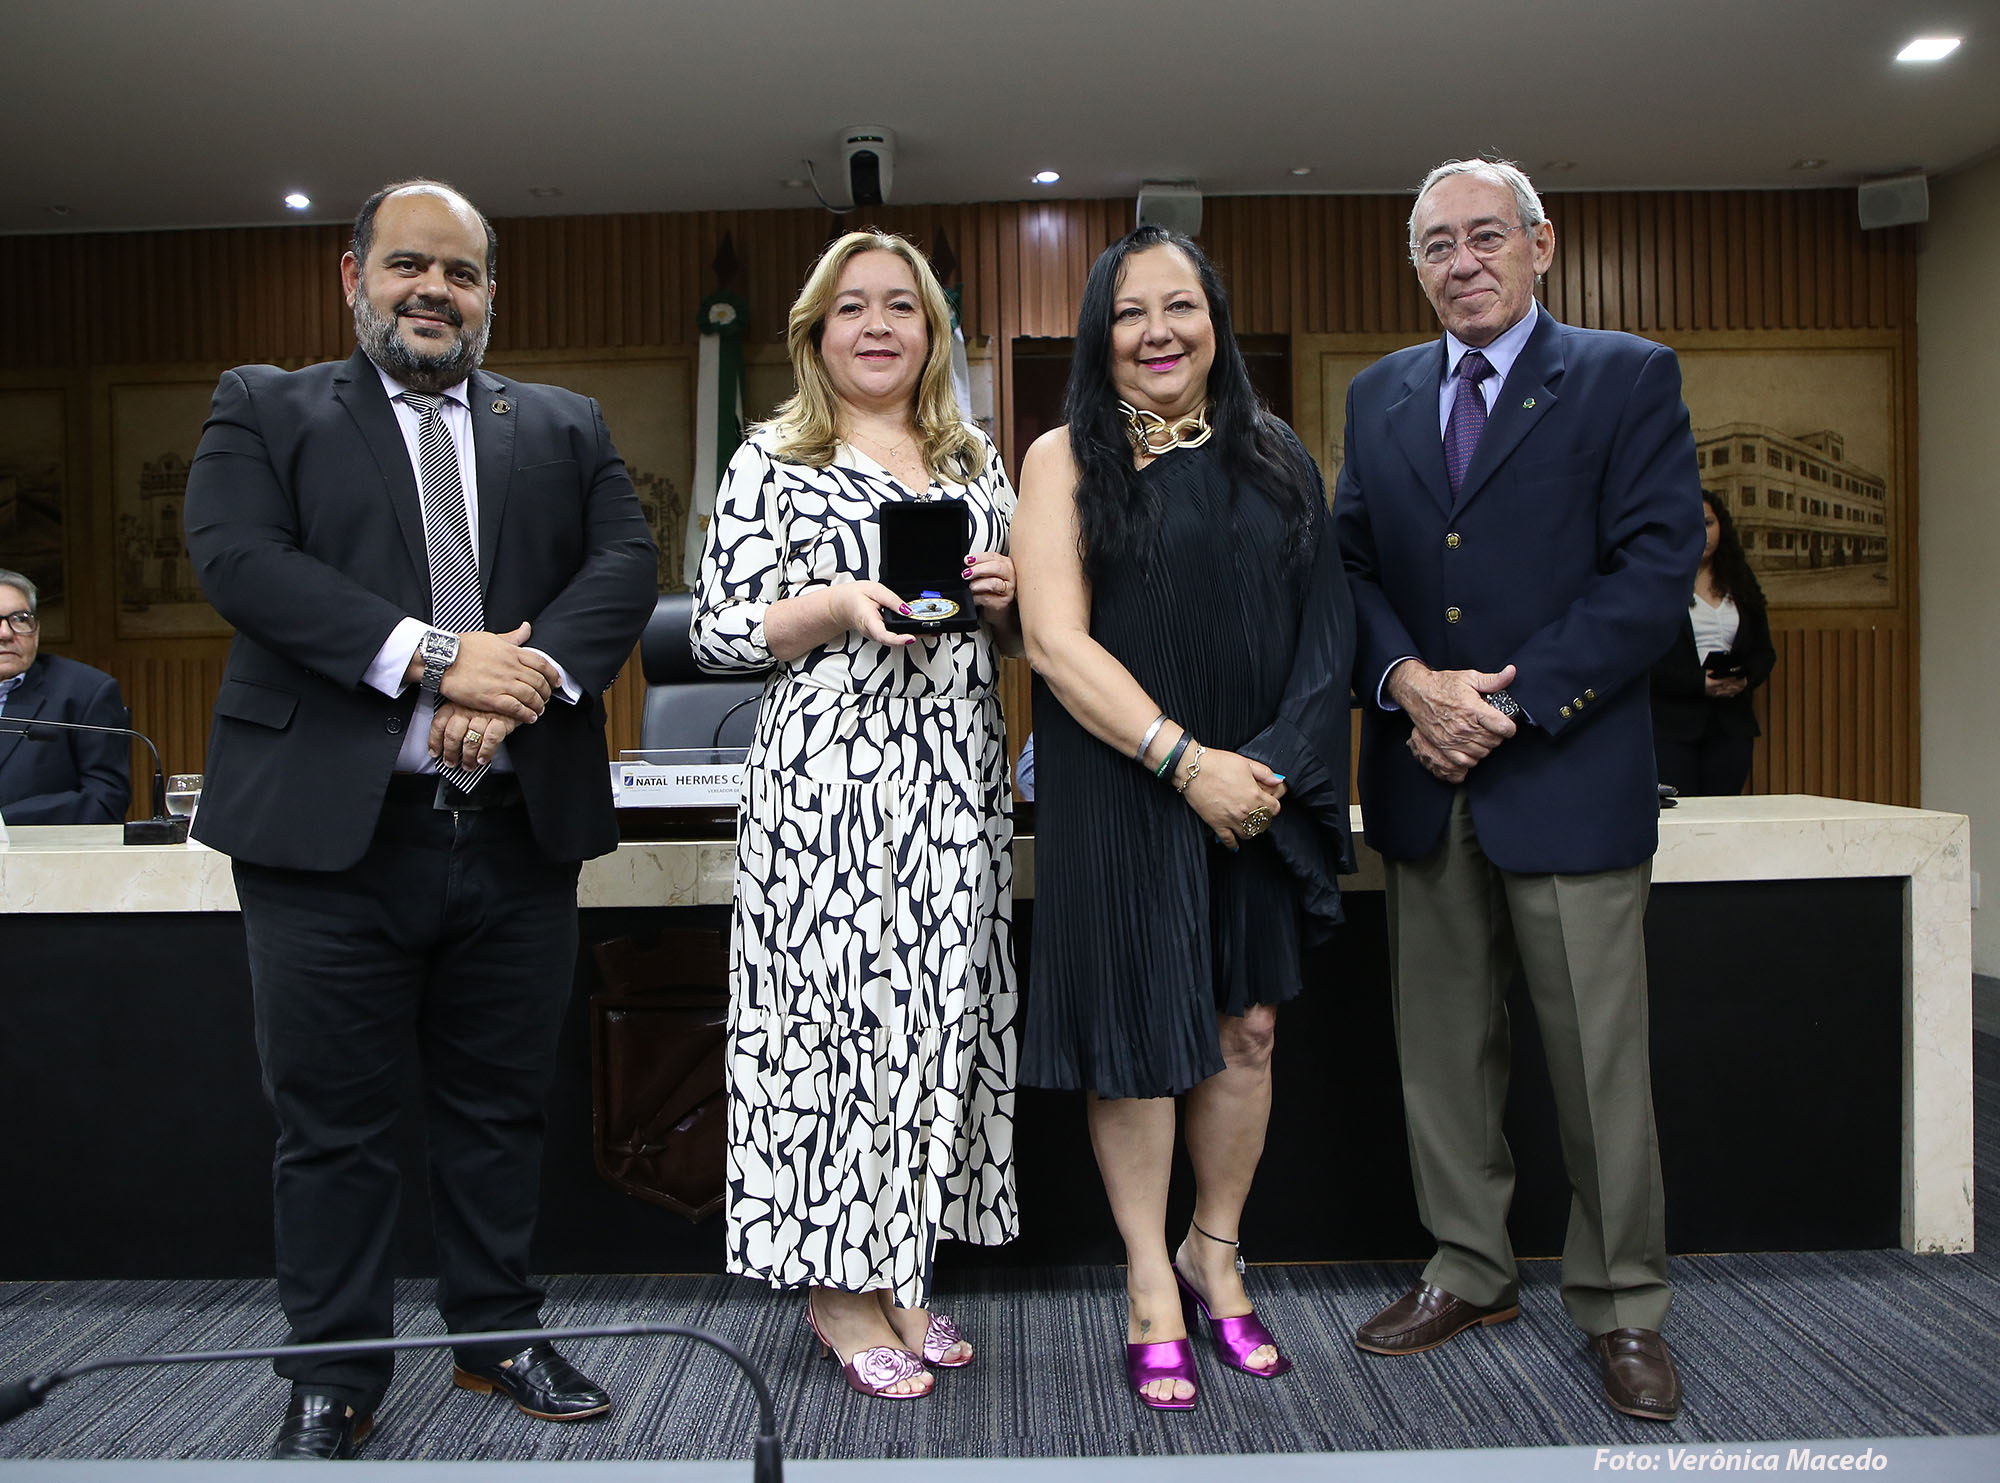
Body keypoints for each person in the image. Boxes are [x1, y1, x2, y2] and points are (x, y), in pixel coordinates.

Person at [183, 179, 656, 1459]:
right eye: (406, 266)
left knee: (501, 1106)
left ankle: (496, 1331)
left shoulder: (561, 424)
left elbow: (623, 567)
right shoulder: (266, 407)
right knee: (331, 1121)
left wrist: (520, 685)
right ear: (353, 278)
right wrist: (438, 655)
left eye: (459, 271)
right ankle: (334, 1367)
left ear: (491, 294)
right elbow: (235, 558)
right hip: (329, 843)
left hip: (512, 829)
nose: (432, 291)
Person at [1333, 159, 1704, 1422]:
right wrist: (1400, 681)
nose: (1461, 262)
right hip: (1421, 780)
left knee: (1598, 1066)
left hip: (1565, 768)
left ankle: (1618, 1303)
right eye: (1435, 245)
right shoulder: (1377, 394)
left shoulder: (1623, 375)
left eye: (1485, 236)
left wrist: (1495, 700)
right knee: (1440, 1051)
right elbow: (1350, 570)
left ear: (1541, 246)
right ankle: (1468, 1268)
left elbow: (1652, 577)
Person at [1014, 225, 1355, 1411]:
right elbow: (1054, 643)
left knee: (1244, 1029)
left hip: (1251, 794)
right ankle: (1148, 1279)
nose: (1157, 333)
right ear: (1097, 335)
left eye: (1180, 308)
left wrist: (1260, 768)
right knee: (1139, 1044)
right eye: (1128, 313)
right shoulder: (1060, 458)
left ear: (1215, 320)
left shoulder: (1276, 455)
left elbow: (1327, 634)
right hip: (1124, 781)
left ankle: (1217, 1250)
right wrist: (1183, 761)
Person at [691, 230, 1020, 1401]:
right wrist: (830, 602)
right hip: (824, 793)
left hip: (953, 780)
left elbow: (1019, 609)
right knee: (828, 1032)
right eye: (851, 309)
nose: (876, 326)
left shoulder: (975, 456)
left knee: (929, 1024)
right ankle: (835, 1291)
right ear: (814, 332)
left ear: (932, 331)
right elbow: (717, 631)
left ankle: (902, 1265)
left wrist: (1002, 587)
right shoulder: (771, 456)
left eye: (901, 308)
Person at [1650, 490, 1774, 797]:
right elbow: (1644, 658)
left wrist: (1744, 679)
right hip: (1673, 724)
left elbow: (1764, 651)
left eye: (1708, 522)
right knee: (1682, 815)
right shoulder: (1661, 580)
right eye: (1692, 523)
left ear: (1721, 526)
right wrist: (1698, 683)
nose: (1702, 532)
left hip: (1732, 723)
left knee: (1726, 813)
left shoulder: (1740, 579)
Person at [0, 568, 132, 824]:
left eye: (19, 619)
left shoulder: (85, 692)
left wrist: (4, 821)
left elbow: (105, 800)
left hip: (39, 857)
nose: (5, 633)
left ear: (36, 630)